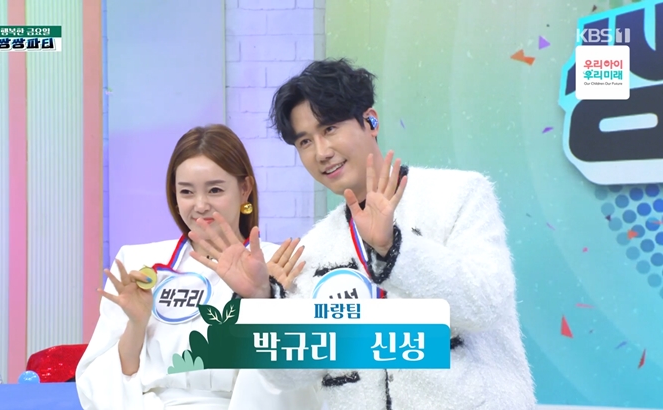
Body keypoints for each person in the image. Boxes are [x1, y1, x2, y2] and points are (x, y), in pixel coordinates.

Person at [194, 60, 537, 409]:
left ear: (370, 121)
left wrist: (393, 249)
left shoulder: (457, 196)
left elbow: (485, 304)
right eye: (305, 141)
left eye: (330, 129)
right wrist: (260, 301)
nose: (321, 152)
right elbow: (291, 376)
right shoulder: (315, 248)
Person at [76, 124, 324, 410]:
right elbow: (100, 385)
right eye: (187, 192)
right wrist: (136, 323)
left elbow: (302, 380)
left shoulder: (281, 265)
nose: (201, 205)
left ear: (244, 189)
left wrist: (264, 301)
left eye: (215, 190)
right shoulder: (138, 265)